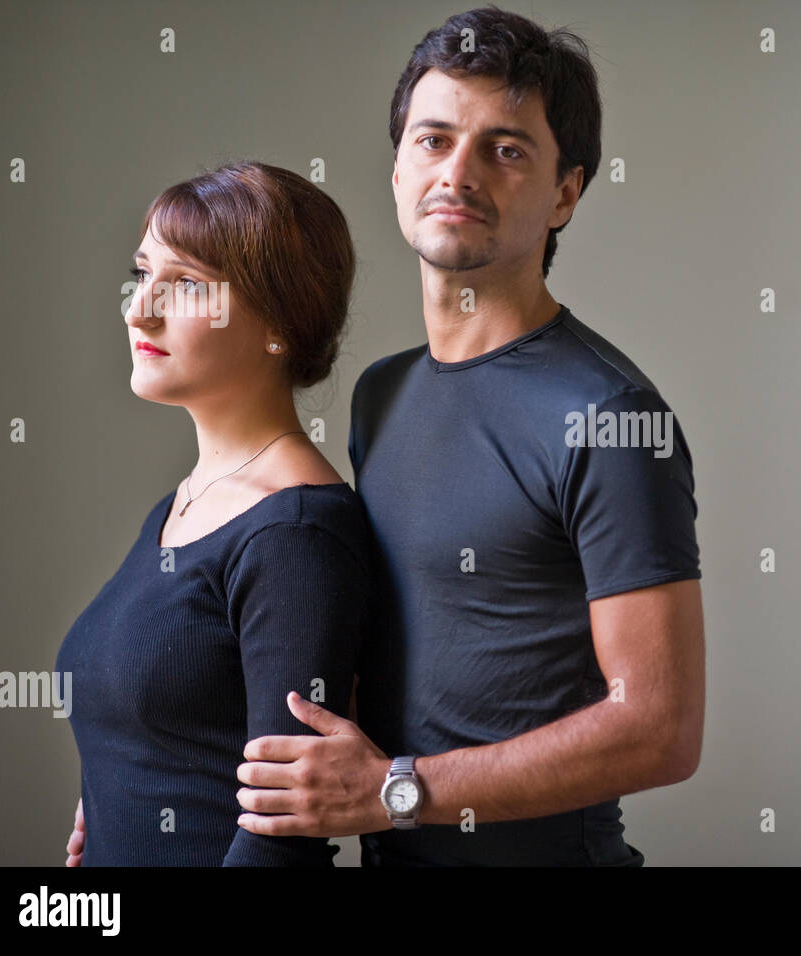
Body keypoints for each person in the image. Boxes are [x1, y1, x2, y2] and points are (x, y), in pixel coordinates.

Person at [234, 6, 705, 866]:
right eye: (433, 139)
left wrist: (394, 791)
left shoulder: (611, 417)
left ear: (567, 192)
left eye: (507, 148)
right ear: (397, 166)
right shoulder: (382, 393)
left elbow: (660, 729)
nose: (459, 171)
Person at [58, 161, 373, 866]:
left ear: (279, 326)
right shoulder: (181, 506)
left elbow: (281, 838)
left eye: (188, 285)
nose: (141, 309)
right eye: (143, 274)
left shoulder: (294, 534)